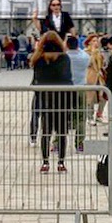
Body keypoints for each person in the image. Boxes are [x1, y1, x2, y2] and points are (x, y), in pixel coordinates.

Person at [30, 31, 74, 174]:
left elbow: (36, 80)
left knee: (46, 132)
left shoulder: (38, 58)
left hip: (45, 99)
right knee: (62, 133)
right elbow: (68, 78)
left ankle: (45, 162)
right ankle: (61, 162)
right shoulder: (64, 58)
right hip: (62, 99)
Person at [65, 35, 91, 151]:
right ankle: (80, 143)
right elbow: (85, 55)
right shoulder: (84, 57)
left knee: (62, 116)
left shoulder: (64, 57)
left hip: (66, 89)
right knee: (81, 117)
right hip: (80, 88)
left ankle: (57, 143)